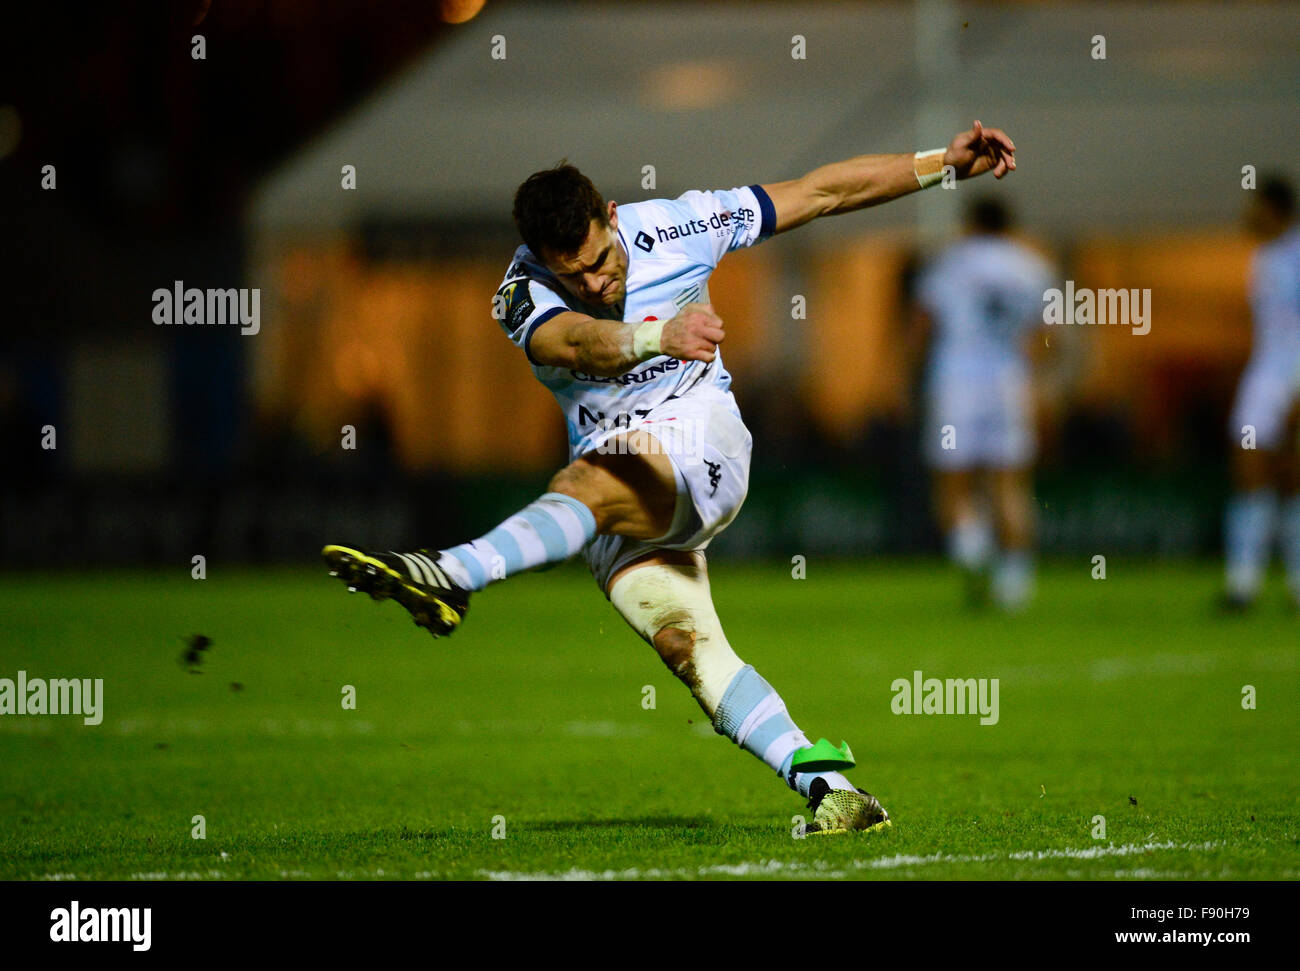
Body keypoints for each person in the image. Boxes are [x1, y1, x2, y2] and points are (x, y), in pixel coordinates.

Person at [324, 122, 1017, 833]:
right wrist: (658, 335)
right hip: (619, 485)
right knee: (687, 648)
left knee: (583, 484)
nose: (594, 282)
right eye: (573, 276)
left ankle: (452, 572)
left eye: (599, 260)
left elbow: (823, 192)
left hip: (699, 442)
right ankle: (835, 793)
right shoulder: (519, 291)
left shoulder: (682, 225)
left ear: (612, 217)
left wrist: (942, 164)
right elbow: (576, 345)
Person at [910, 197, 1053, 610]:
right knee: (1010, 483)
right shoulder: (1032, 267)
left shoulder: (950, 262)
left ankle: (972, 550)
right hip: (1008, 381)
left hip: (956, 380)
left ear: (971, 223)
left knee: (952, 480)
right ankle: (1015, 586)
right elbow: (1049, 336)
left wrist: (903, 378)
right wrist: (1037, 380)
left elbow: (923, 324)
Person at [1223, 176, 1300, 610]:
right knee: (1249, 472)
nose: (1247, 214)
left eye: (1255, 204)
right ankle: (1243, 584)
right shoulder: (1263, 256)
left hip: (1293, 377)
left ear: (1274, 208)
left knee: (1292, 480)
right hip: (1264, 378)